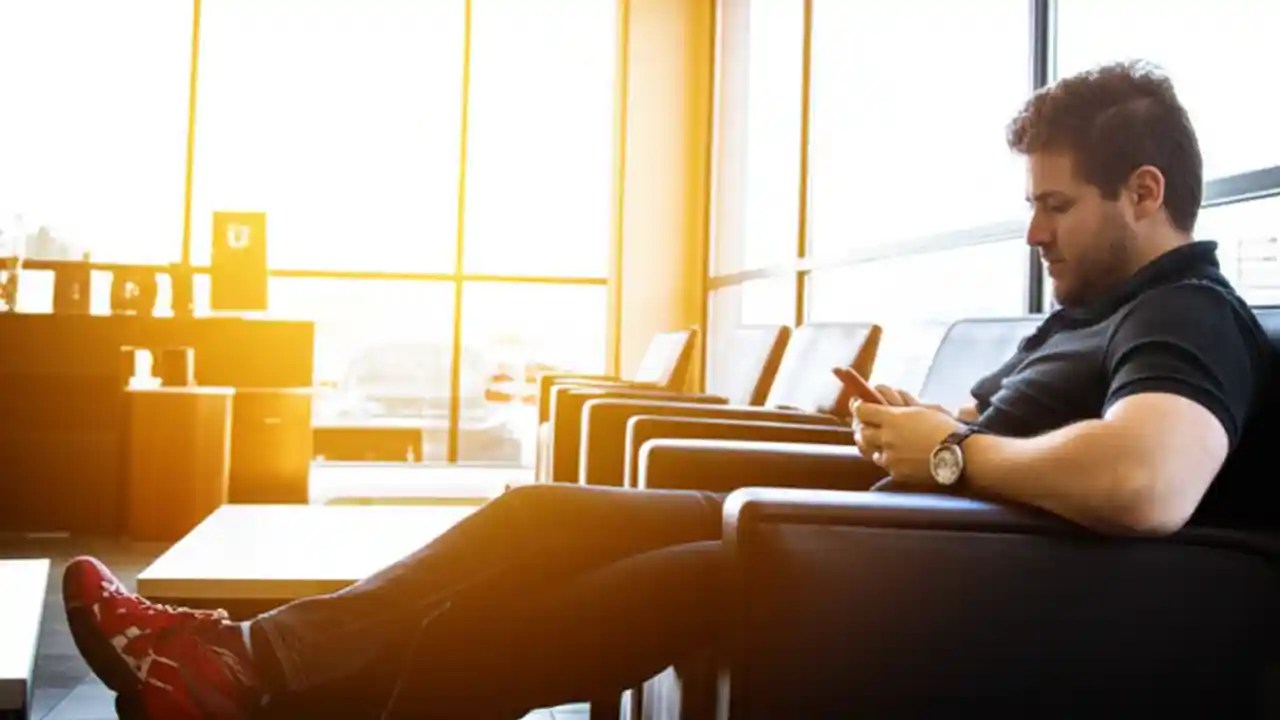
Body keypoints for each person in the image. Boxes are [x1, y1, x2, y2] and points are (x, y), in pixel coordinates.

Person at [62, 59, 1272, 719]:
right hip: (878, 531)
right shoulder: (1088, 314)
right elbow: (1016, 439)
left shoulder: (1184, 313)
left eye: (1052, 206)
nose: (1034, 232)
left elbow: (1150, 481)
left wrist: (949, 457)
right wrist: (930, 423)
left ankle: (244, 687)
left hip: (927, 571)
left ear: (1144, 191)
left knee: (602, 600)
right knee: (539, 521)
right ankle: (248, 666)